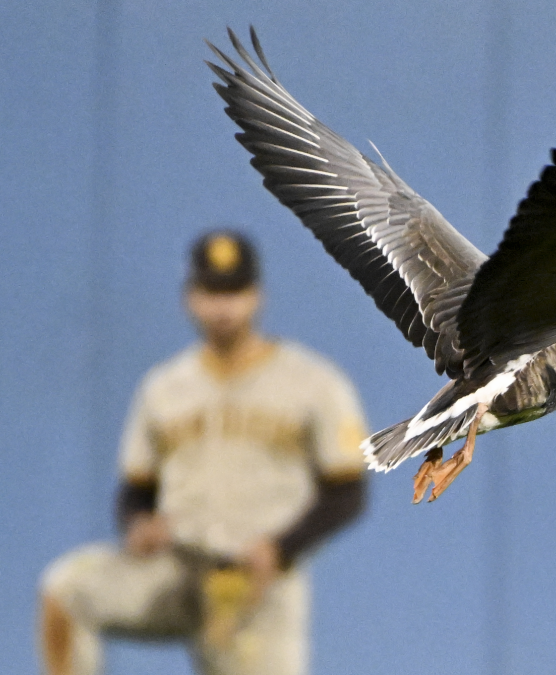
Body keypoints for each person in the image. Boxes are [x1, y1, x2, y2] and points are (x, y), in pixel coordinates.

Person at [38, 230, 369, 675]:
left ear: (257, 296)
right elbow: (136, 489)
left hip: (258, 581)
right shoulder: (163, 387)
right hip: (178, 565)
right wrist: (137, 524)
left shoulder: (313, 382)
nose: (223, 308)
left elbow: (347, 493)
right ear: (190, 298)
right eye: (212, 293)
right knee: (67, 589)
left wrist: (281, 549)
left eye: (234, 293)